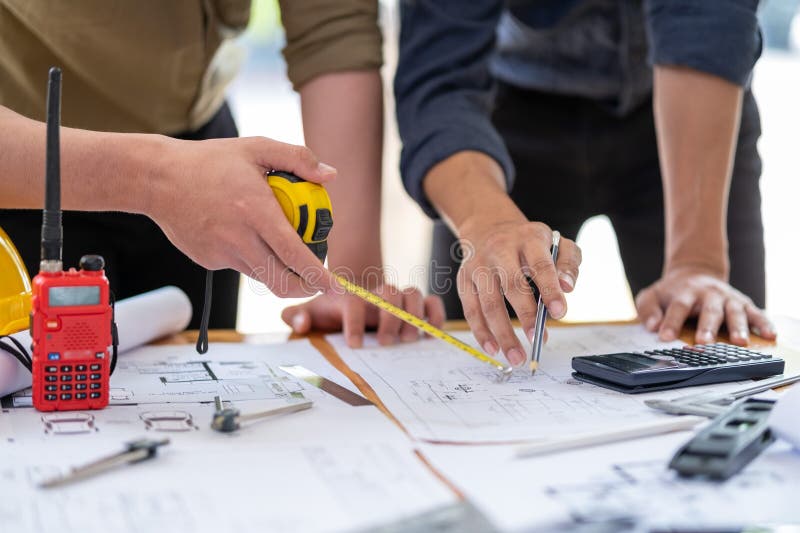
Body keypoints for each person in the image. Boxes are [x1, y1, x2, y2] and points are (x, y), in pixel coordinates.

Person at [0, 0, 443, 342]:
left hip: (198, 154)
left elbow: (332, 28)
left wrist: (351, 280)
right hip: (26, 169)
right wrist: (156, 180)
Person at [395, 0, 777, 368]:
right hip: (495, 127)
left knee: (719, 337)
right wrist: (488, 224)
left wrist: (698, 263)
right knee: (477, 344)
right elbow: (439, 72)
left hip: (691, 106)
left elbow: (704, 18)